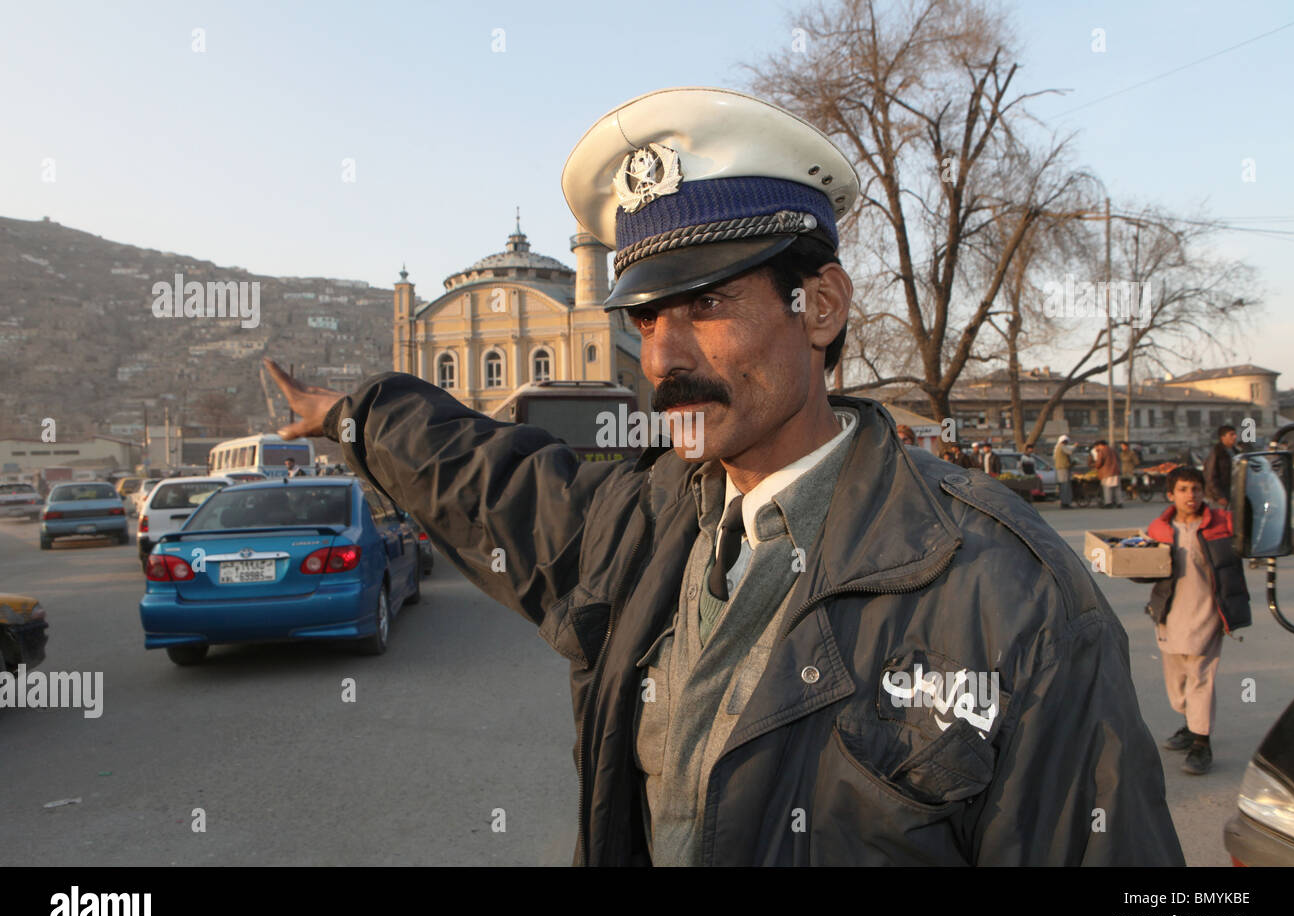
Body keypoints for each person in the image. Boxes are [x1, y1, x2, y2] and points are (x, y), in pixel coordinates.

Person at [263, 86, 1182, 866]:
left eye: (706, 305)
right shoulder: (642, 526)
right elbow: (488, 481)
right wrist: (353, 419)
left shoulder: (1006, 593)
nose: (664, 359)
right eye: (648, 318)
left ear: (818, 306)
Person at [1138, 466, 1250, 775]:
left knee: (1201, 675)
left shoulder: (1222, 524)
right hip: (1169, 614)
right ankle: (1190, 724)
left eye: (1196, 489)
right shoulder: (1159, 528)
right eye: (1184, 489)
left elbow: (1254, 536)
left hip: (1209, 613)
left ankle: (1202, 742)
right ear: (1171, 495)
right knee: (1177, 683)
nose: (1192, 495)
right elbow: (1142, 566)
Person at [1204, 424, 1240, 508]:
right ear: (1222, 437)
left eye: (1235, 434)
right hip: (1219, 498)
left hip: (1233, 494)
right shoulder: (1216, 452)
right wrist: (1219, 496)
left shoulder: (1236, 452)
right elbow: (1210, 476)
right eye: (1231, 434)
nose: (1234, 437)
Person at [1092, 439, 1121, 508]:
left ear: (1101, 445)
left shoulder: (1102, 451)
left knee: (1107, 488)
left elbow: (1099, 463)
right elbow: (1119, 459)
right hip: (1116, 471)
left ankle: (1108, 503)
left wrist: (1095, 466)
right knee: (1117, 488)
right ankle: (1119, 503)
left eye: (1098, 446)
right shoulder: (1113, 450)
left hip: (1107, 472)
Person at [1054, 435, 1075, 509]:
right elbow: (1070, 451)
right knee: (1065, 487)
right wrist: (1074, 446)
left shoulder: (1058, 448)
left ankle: (1064, 502)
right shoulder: (1062, 447)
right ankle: (1065, 503)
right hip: (1063, 469)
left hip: (1061, 469)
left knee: (1063, 487)